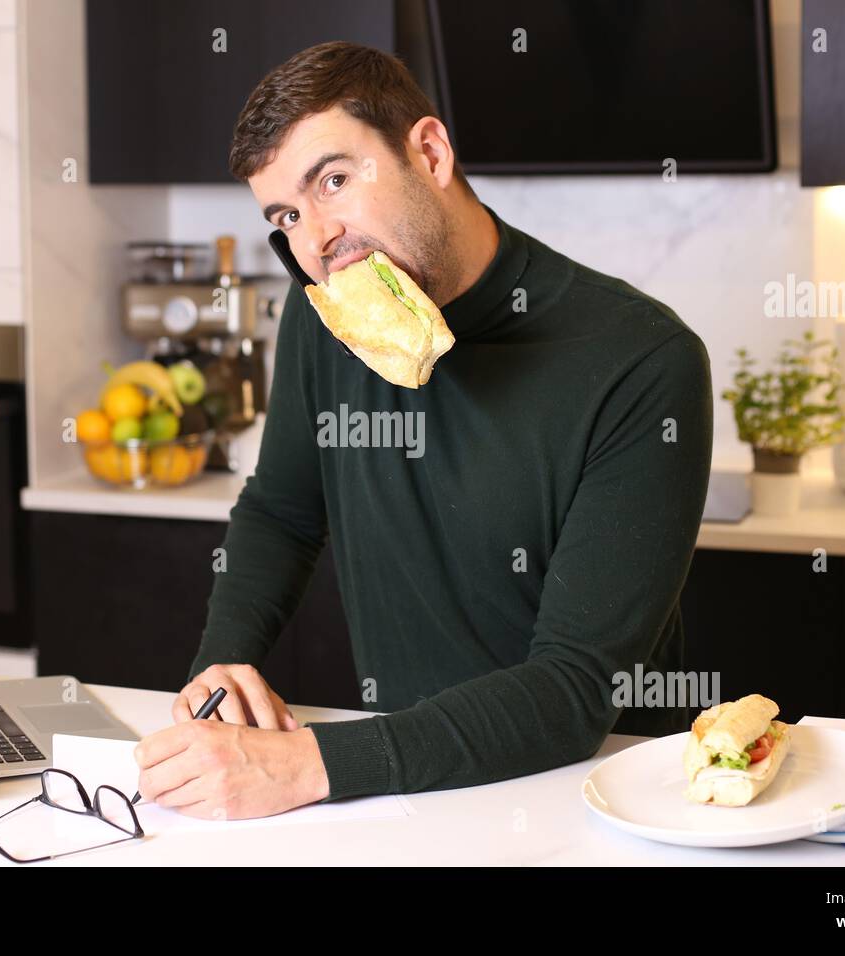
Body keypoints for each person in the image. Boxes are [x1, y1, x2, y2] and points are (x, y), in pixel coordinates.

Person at [133, 41, 713, 819]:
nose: (317, 240)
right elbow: (282, 510)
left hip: (603, 796)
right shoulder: (322, 316)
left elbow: (577, 688)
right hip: (404, 782)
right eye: (287, 216)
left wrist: (305, 765)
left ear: (430, 153)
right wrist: (221, 663)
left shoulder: (640, 359)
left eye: (334, 181)